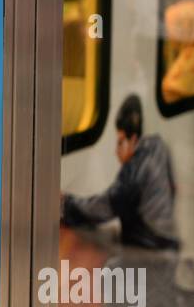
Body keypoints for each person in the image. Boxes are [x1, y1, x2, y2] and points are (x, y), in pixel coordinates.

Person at [61, 95, 179, 250]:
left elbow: (108, 205)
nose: (116, 151)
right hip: (165, 241)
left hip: (150, 246)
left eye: (120, 142)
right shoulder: (158, 148)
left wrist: (67, 204)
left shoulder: (136, 167)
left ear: (133, 140)